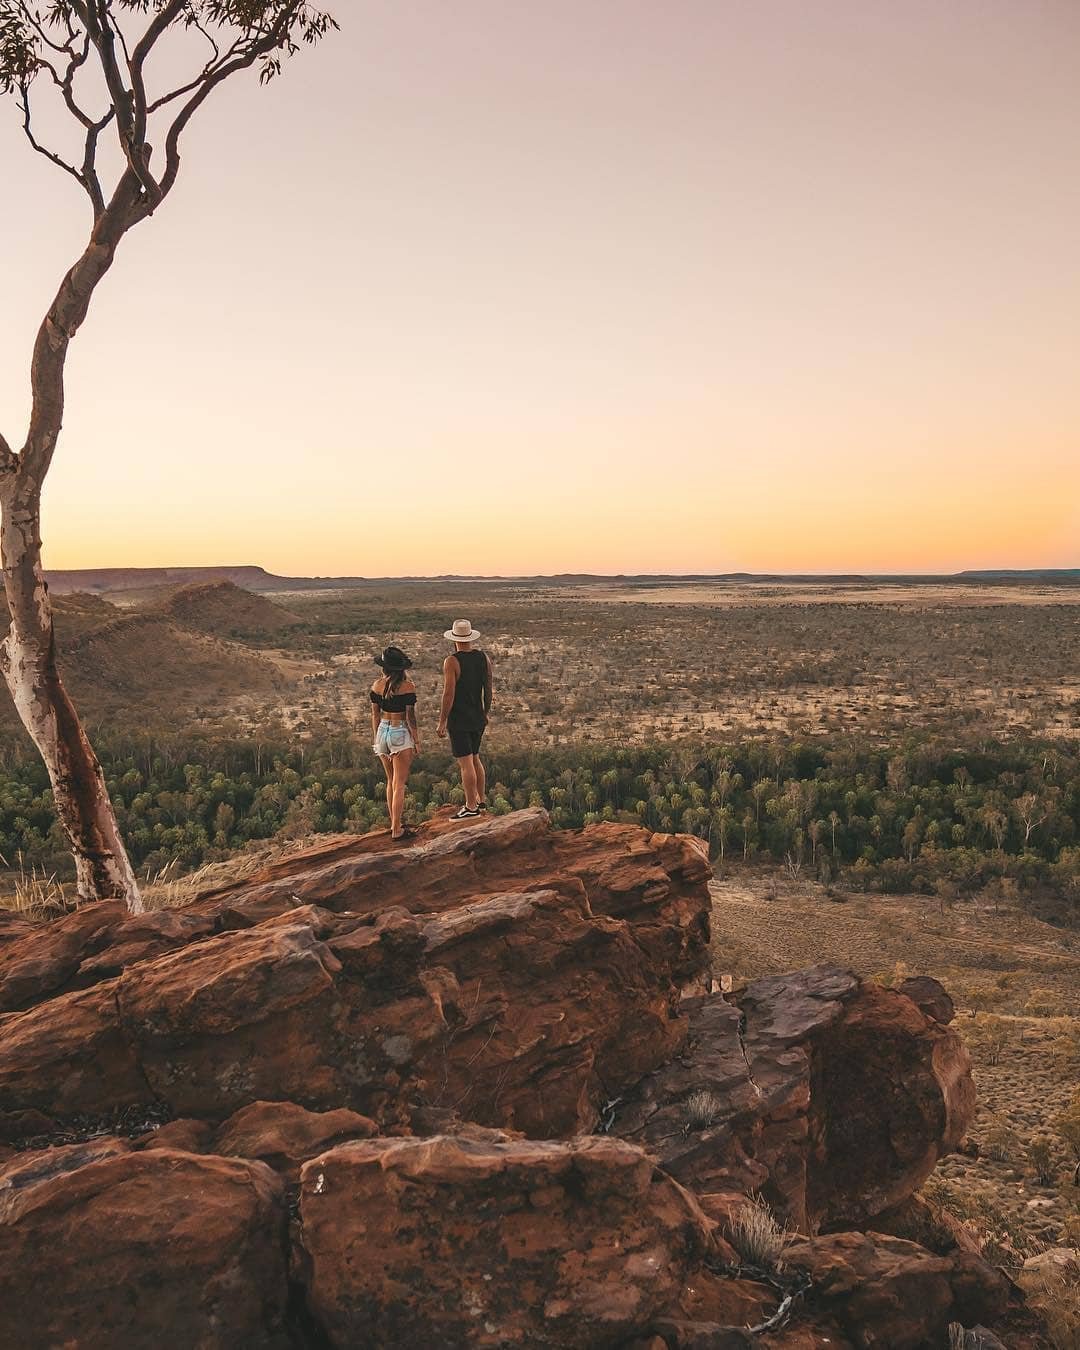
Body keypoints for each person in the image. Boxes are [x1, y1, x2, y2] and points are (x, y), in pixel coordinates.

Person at [437, 619, 493, 819]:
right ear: (470, 637)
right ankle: (481, 799)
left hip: (459, 719)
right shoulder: (483, 658)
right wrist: (485, 712)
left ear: (454, 639)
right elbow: (488, 688)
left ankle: (470, 807)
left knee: (466, 763)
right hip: (478, 718)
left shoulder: (451, 661)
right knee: (476, 758)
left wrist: (442, 721)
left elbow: (448, 694)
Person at [370, 645, 421, 841]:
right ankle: (396, 829)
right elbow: (410, 717)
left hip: (382, 731)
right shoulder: (408, 687)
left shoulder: (376, 686)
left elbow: (375, 714)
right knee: (399, 784)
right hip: (399, 732)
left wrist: (377, 738)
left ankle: (394, 824)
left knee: (390, 781)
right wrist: (416, 741)